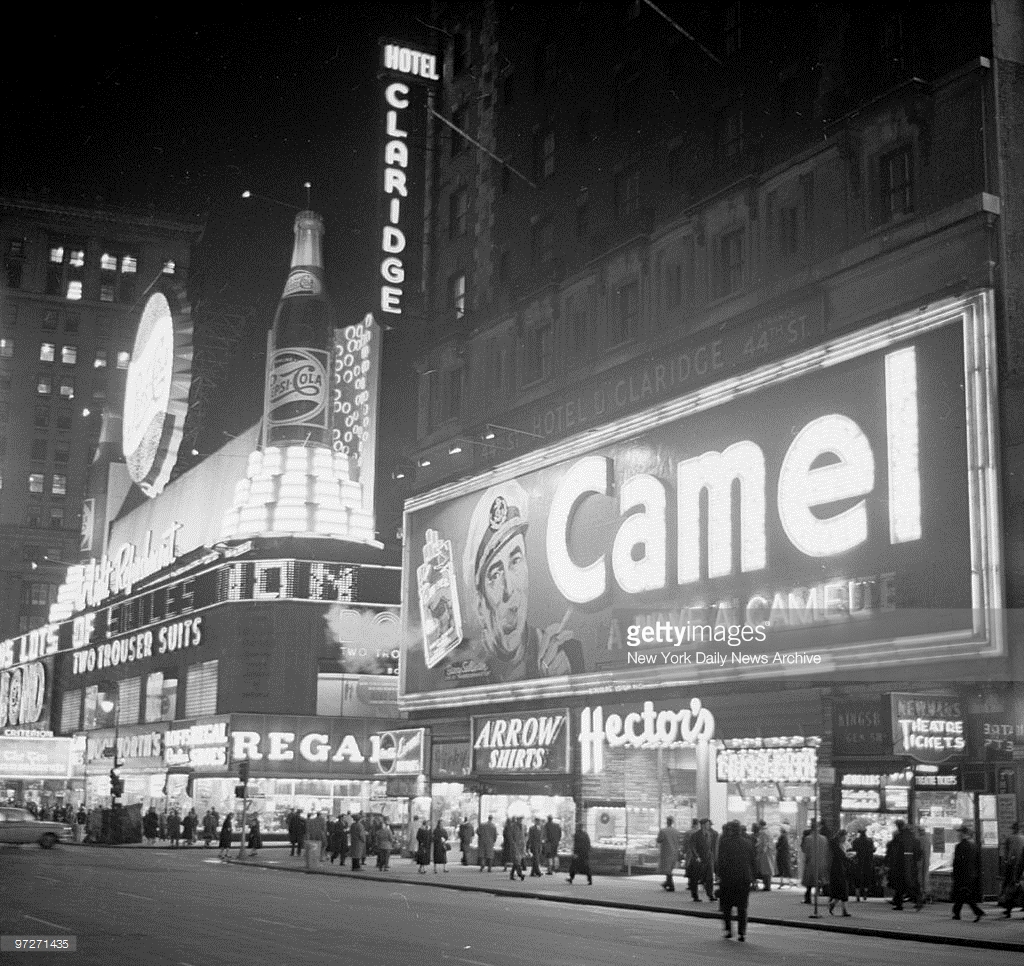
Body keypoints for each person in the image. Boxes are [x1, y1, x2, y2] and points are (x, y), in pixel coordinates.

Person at [461, 481, 585, 684]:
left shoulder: (567, 654)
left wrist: (564, 683)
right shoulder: (465, 675)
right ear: (480, 605)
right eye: (495, 574)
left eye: (515, 560)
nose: (510, 589)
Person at [716, 821, 755, 942]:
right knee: (742, 907)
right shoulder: (748, 843)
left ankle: (728, 930)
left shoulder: (725, 843)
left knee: (727, 907)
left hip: (728, 879)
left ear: (731, 830)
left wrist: (719, 875)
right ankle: (742, 933)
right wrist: (753, 878)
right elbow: (753, 862)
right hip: (744, 879)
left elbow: (721, 861)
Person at [948, 825, 986, 922]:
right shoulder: (974, 845)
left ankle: (977, 911)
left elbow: (957, 863)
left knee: (965, 895)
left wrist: (954, 874)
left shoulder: (960, 846)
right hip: (971, 875)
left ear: (963, 833)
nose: (958, 834)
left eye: (959, 832)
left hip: (962, 875)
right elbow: (978, 861)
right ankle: (956, 913)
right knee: (963, 894)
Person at [885, 820, 923, 911]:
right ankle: (917, 900)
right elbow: (918, 852)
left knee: (901, 885)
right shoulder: (912, 837)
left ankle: (899, 903)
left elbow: (893, 852)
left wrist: (889, 863)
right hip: (910, 864)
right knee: (910, 883)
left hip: (900, 864)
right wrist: (915, 860)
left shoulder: (898, 837)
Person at [687, 818, 716, 901]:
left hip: (708, 858)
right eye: (708, 824)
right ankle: (695, 896)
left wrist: (711, 856)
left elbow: (710, 847)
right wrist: (697, 857)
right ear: (703, 825)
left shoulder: (709, 834)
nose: (709, 826)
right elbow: (692, 847)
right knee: (695, 878)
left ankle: (710, 895)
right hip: (698, 859)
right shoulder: (695, 835)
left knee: (709, 878)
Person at [801, 820, 828, 905]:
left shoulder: (808, 838)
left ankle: (808, 897)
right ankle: (823, 893)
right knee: (821, 879)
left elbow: (804, 850)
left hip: (811, 862)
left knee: (809, 882)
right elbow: (826, 850)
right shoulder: (824, 839)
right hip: (821, 862)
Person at [1000, 822, 1024, 918]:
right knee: (1018, 890)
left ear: (1013, 829)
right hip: (1020, 868)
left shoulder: (1010, 838)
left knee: (1010, 889)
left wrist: (1007, 862)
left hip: (1013, 866)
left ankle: (1008, 909)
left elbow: (1010, 853)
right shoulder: (1023, 838)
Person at [827, 830, 852, 917]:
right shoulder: (835, 844)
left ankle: (834, 904)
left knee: (841, 889)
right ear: (840, 836)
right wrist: (848, 858)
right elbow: (840, 855)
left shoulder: (836, 843)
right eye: (845, 836)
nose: (846, 838)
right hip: (837, 869)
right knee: (843, 888)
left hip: (838, 868)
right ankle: (843, 909)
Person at [657, 817, 681, 892]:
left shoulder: (663, 831)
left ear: (667, 822)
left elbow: (659, 840)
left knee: (668, 870)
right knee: (670, 869)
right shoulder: (676, 831)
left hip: (666, 852)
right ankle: (667, 883)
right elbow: (679, 841)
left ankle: (670, 885)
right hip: (674, 852)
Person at [851, 828, 876, 901]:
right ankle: (865, 892)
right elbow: (873, 849)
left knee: (857, 878)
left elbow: (853, 849)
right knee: (867, 877)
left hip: (858, 861)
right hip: (868, 862)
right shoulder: (870, 840)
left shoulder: (856, 841)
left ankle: (857, 894)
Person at [755, 822, 774, 891]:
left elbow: (763, 843)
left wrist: (761, 851)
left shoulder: (763, 832)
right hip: (769, 853)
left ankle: (767, 886)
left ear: (760, 825)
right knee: (768, 870)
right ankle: (768, 885)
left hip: (764, 854)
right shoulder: (769, 831)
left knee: (765, 870)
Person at [507, 816, 526, 882]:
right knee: (517, 861)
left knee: (517, 861)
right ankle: (520, 874)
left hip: (521, 846)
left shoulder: (523, 826)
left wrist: (524, 844)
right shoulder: (513, 826)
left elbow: (524, 836)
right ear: (517, 820)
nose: (520, 820)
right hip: (515, 845)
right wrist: (513, 843)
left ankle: (511, 874)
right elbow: (510, 836)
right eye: (519, 819)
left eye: (521, 819)